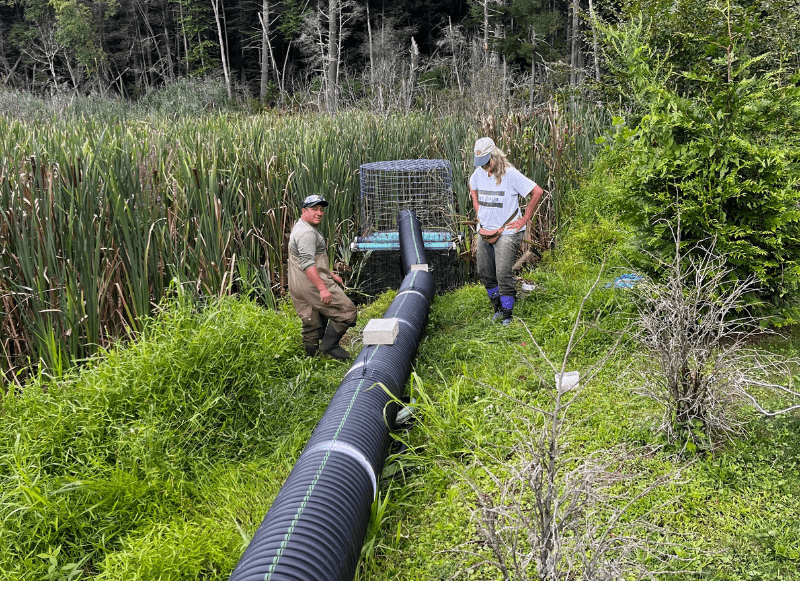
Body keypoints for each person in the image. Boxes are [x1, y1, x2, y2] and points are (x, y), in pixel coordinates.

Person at [469, 137, 544, 325]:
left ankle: (508, 314)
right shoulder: (479, 173)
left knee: (502, 273)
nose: (485, 168)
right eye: (482, 164)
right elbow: (472, 187)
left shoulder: (511, 174)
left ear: (495, 155)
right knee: (485, 272)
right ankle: (497, 308)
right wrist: (476, 206)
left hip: (508, 231)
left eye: (487, 163)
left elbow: (537, 191)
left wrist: (525, 219)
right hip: (484, 230)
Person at [287, 194, 357, 360]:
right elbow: (308, 264)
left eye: (321, 209)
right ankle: (329, 347)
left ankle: (311, 361)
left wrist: (330, 274)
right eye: (314, 209)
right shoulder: (307, 234)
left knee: (312, 320)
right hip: (312, 284)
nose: (319, 213)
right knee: (347, 311)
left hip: (298, 284)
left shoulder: (301, 227)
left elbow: (306, 259)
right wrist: (322, 288)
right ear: (304, 211)